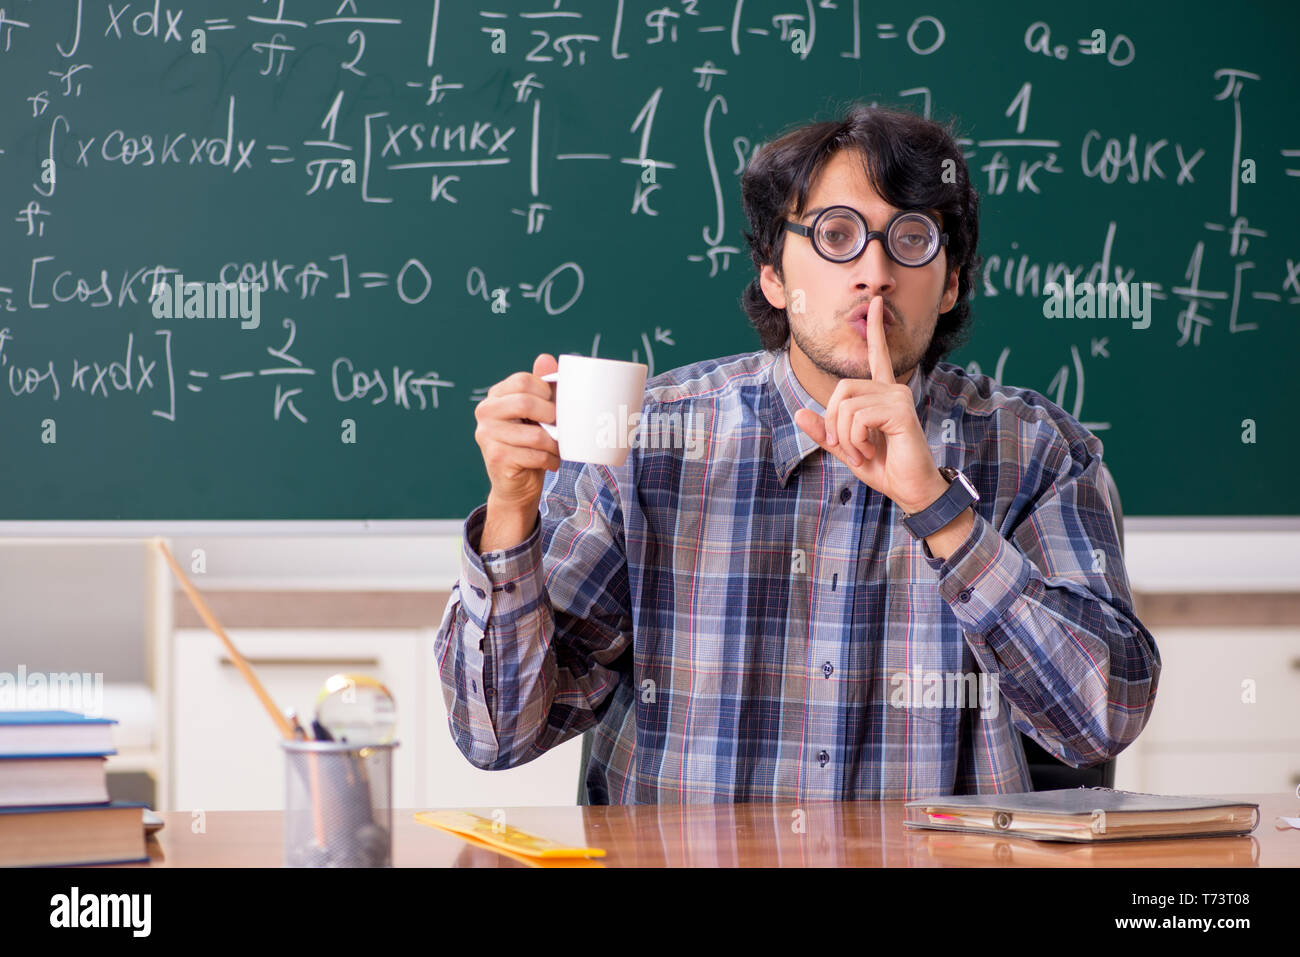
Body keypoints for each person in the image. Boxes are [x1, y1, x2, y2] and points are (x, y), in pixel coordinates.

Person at [434, 104, 1160, 803]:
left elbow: (1101, 717)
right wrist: (511, 510)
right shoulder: (649, 442)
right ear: (775, 277)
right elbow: (495, 733)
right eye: (837, 235)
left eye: (911, 240)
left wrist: (939, 509)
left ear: (953, 283)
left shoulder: (1037, 451)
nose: (874, 272)